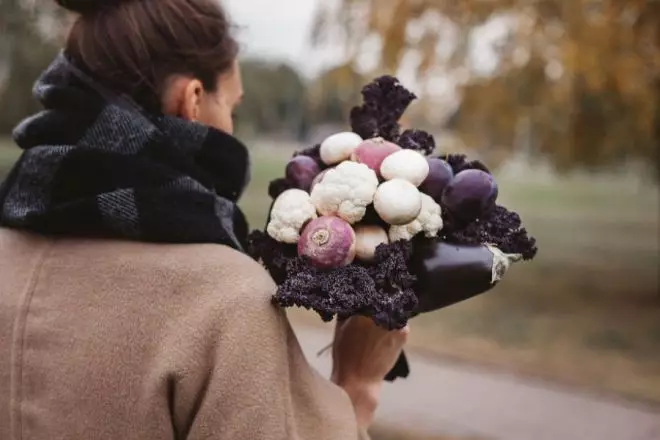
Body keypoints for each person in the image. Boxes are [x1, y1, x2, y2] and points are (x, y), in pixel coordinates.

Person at [0, 0, 409, 439]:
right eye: (231, 104)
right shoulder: (226, 300)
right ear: (192, 100)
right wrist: (356, 387)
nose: (230, 123)